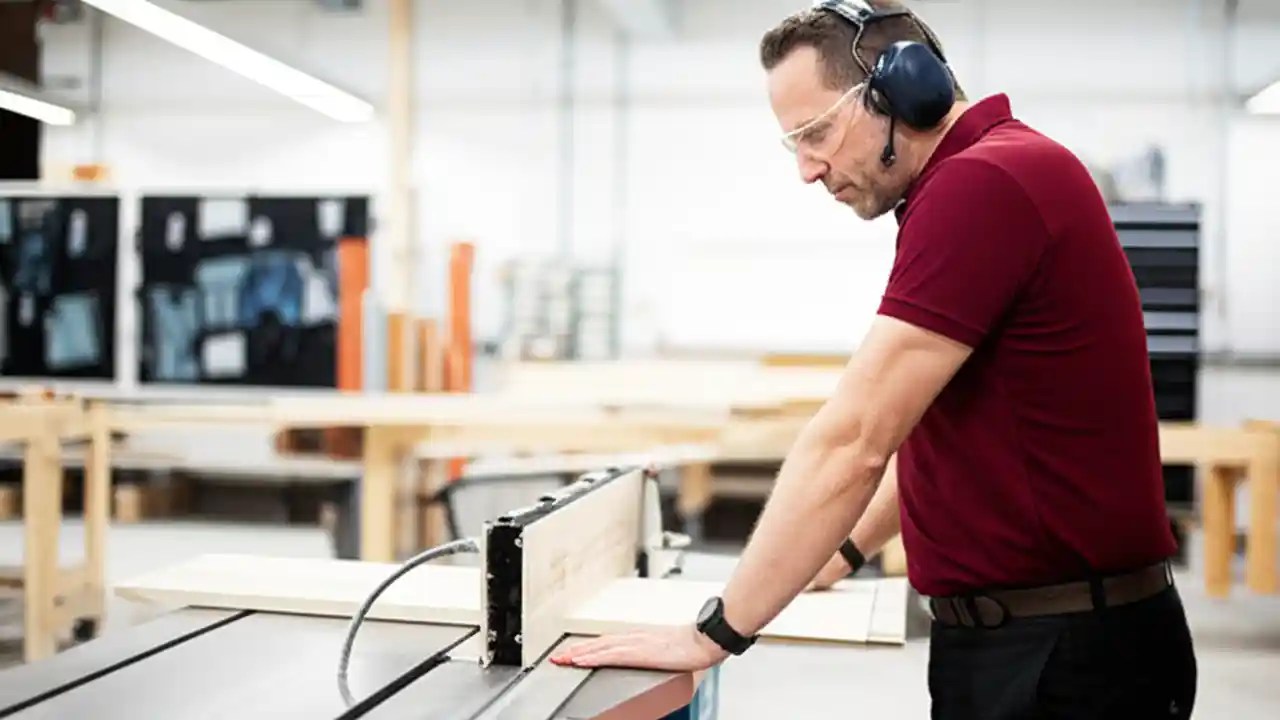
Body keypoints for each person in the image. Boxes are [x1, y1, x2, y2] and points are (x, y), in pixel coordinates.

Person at [551, 1, 1199, 717]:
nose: (807, 168)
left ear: (903, 90)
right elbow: (954, 442)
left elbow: (856, 439)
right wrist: (838, 553)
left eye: (817, 131)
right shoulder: (999, 173)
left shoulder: (982, 187)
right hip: (1054, 642)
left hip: (1062, 660)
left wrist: (713, 632)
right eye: (791, 143)